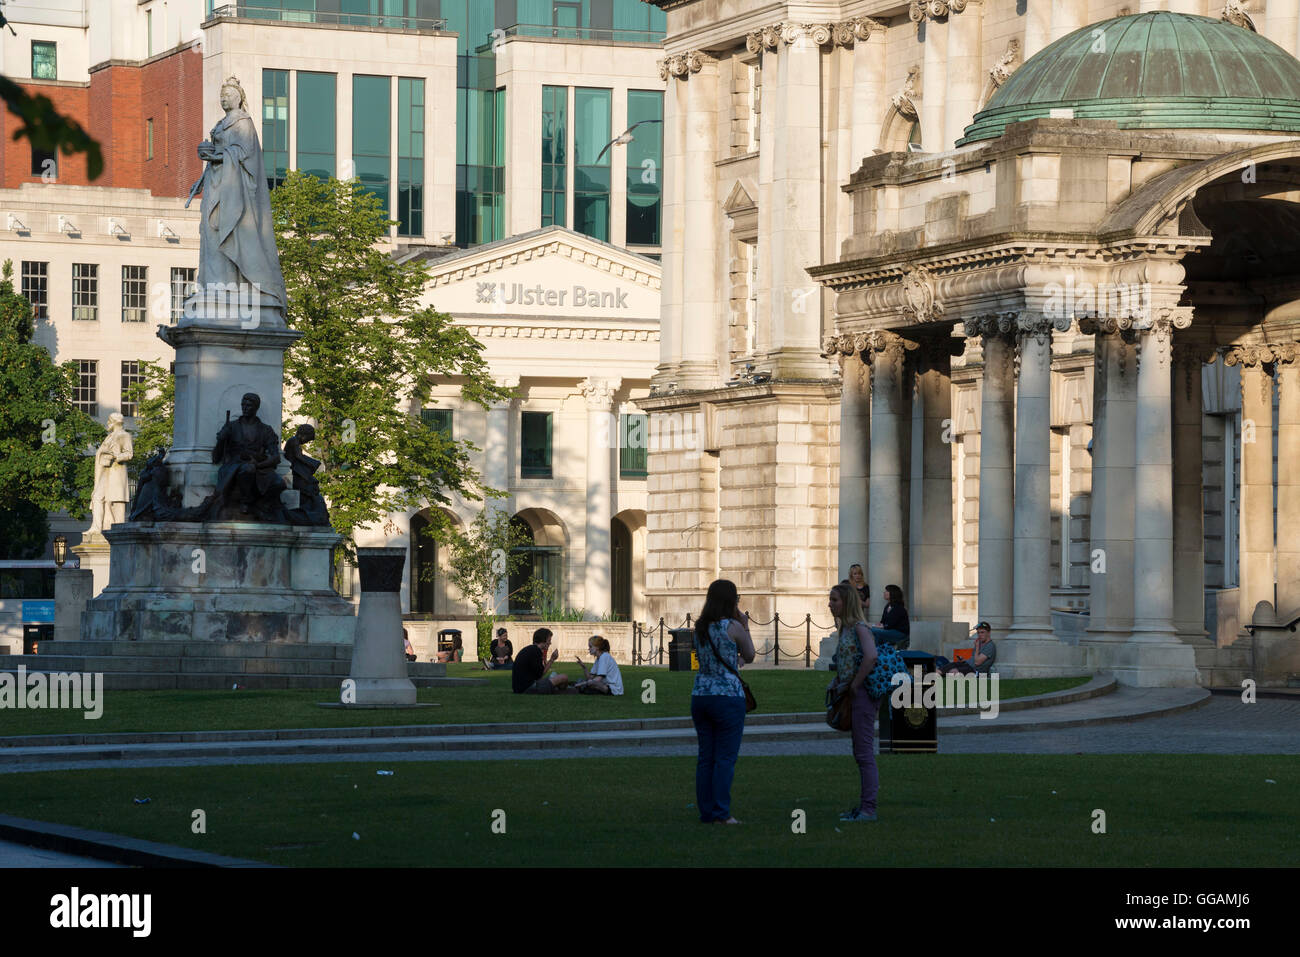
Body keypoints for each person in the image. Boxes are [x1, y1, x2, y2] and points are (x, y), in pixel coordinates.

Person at [691, 579, 755, 824]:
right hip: (727, 695)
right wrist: (745, 625)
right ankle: (721, 812)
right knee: (725, 758)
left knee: (706, 757)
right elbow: (749, 655)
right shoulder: (733, 626)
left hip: (701, 694)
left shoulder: (700, 627)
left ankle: (707, 812)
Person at [827, 582, 880, 822]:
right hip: (850, 694)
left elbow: (871, 656)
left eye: (834, 600)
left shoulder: (859, 628)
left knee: (864, 752)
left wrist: (856, 684)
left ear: (846, 602)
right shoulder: (846, 629)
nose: (830, 604)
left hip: (862, 697)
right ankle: (864, 806)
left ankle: (869, 808)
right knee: (860, 752)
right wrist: (838, 681)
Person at [511, 628, 570, 694]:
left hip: (521, 688)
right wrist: (552, 659)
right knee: (564, 677)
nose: (550, 643)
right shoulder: (536, 651)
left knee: (554, 675)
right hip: (528, 688)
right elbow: (540, 675)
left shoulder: (531, 649)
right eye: (549, 640)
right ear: (543, 640)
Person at [871, 584, 910, 650]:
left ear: (892, 593)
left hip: (900, 633)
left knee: (875, 631)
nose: (884, 592)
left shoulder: (898, 607)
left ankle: (877, 653)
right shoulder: (887, 606)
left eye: (886, 591)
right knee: (873, 631)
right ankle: (879, 652)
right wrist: (878, 624)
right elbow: (883, 621)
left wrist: (879, 626)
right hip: (890, 630)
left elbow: (890, 625)